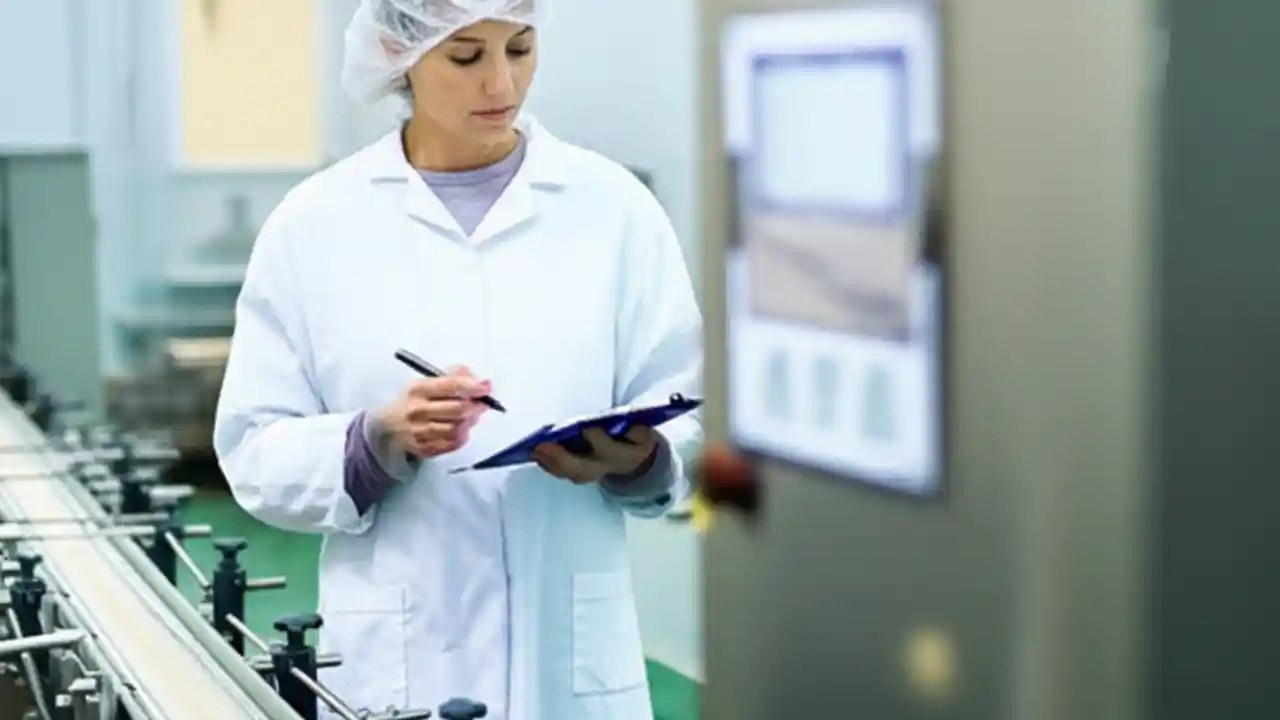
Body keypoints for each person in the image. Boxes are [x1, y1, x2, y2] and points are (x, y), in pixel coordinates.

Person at [211, 1, 702, 719]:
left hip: (570, 661)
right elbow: (253, 449)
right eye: (467, 57)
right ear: (397, 53)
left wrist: (637, 458)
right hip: (399, 664)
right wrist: (374, 441)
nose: (502, 84)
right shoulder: (313, 227)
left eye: (521, 48)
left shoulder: (614, 210)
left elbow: (693, 405)